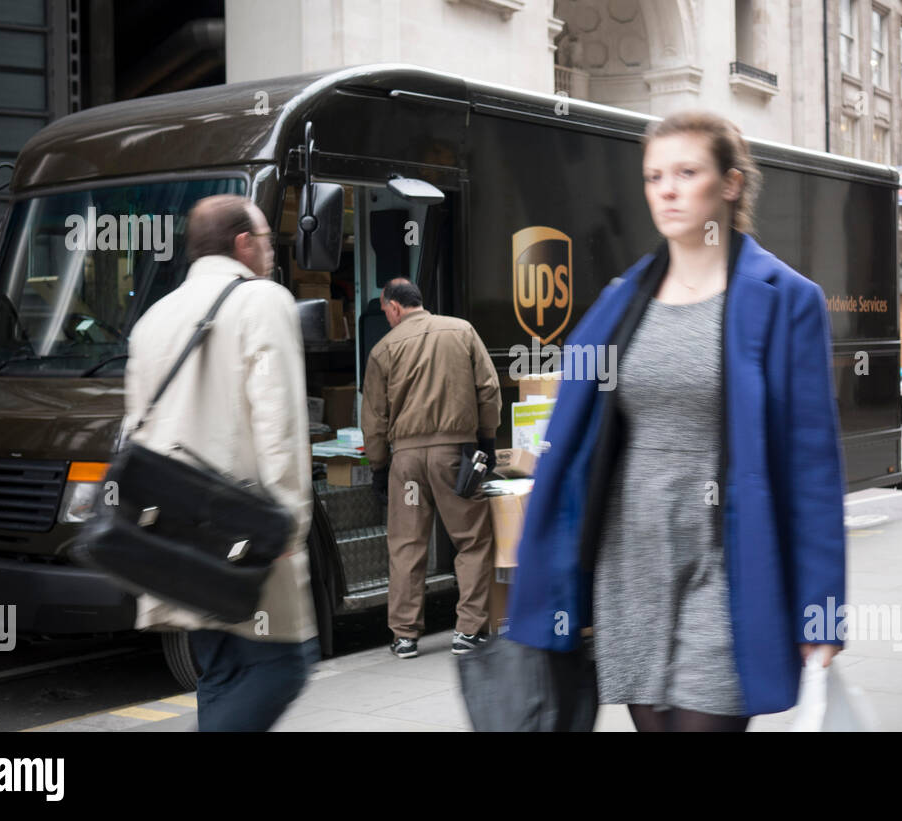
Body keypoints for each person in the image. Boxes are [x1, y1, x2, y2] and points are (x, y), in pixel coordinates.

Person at [506, 111, 847, 732]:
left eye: (686, 172)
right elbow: (572, 439)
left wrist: (821, 611)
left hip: (727, 562)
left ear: (731, 183)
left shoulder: (786, 298)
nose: (666, 189)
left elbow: (813, 468)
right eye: (654, 176)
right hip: (629, 561)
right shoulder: (620, 301)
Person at [124, 194, 318, 730]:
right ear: (243, 244)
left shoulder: (153, 320)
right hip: (246, 529)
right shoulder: (263, 300)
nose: (273, 254)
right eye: (267, 242)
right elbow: (278, 423)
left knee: (220, 673)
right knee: (284, 666)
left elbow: (136, 433)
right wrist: (289, 526)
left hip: (179, 537)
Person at [360, 278, 501, 659]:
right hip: (453, 455)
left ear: (392, 307)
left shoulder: (383, 349)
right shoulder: (461, 330)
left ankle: (404, 636)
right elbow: (488, 389)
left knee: (406, 545)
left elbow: (373, 417)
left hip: (406, 463)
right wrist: (486, 442)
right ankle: (468, 631)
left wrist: (378, 466)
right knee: (472, 539)